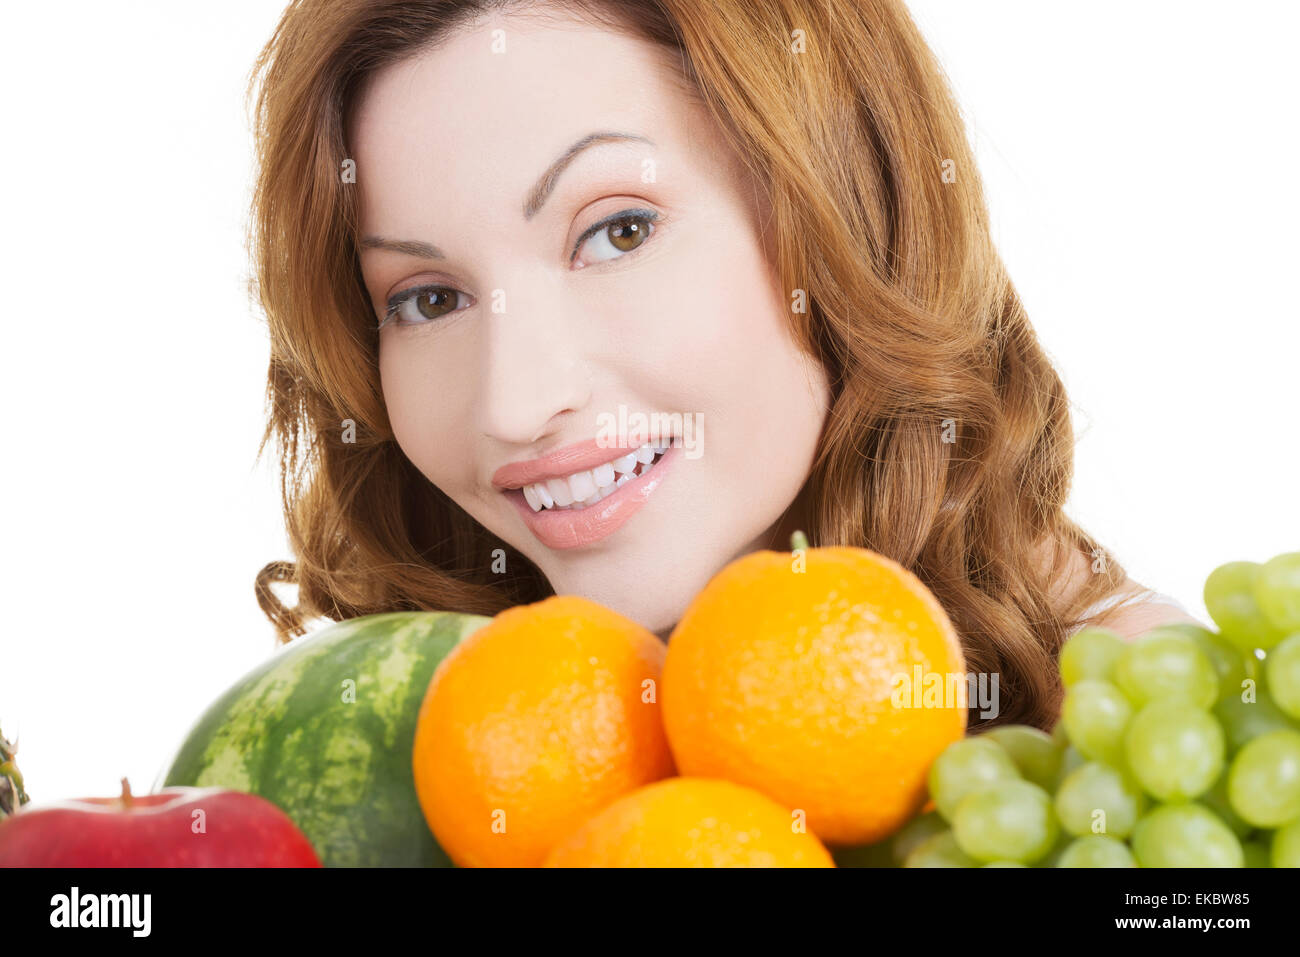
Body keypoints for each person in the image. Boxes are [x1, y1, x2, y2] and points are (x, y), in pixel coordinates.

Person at [247, 0, 1196, 730]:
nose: (517, 401)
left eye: (619, 231)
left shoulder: (1135, 741)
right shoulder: (440, 751)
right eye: (427, 298)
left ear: (852, 203)